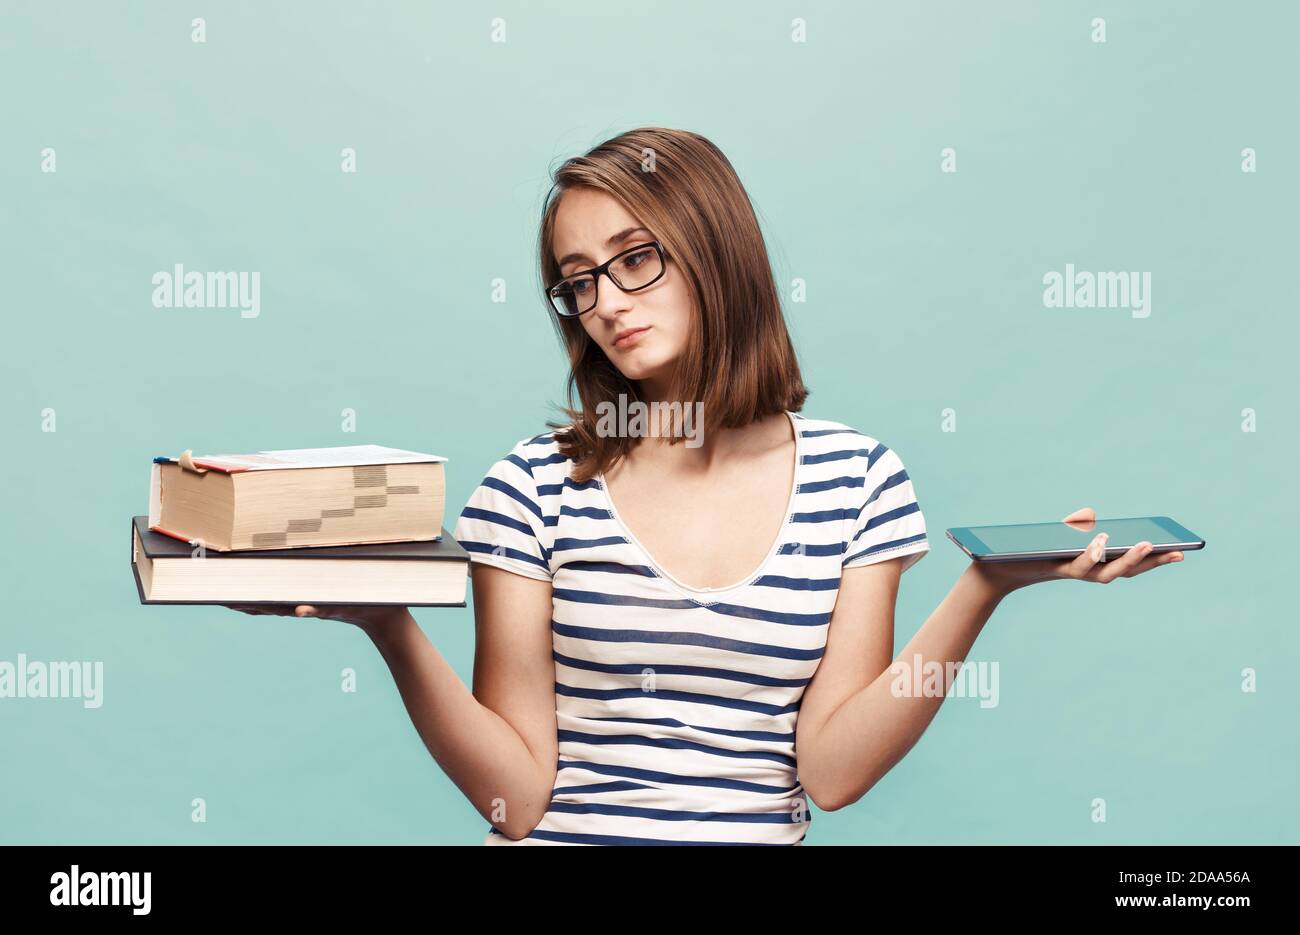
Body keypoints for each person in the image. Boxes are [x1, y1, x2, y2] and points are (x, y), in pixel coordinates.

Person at [228, 127, 1184, 845]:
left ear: (716, 249)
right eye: (579, 282)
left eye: (635, 259)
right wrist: (388, 625)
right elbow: (514, 799)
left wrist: (986, 587)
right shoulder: (533, 484)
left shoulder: (857, 479)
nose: (606, 302)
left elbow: (832, 770)